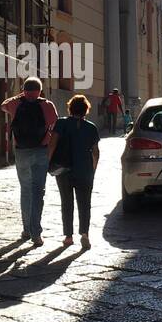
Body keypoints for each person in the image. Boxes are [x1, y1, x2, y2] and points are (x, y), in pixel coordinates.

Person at [1, 77, 58, 246]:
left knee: (25, 190)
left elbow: (3, 104)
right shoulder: (47, 105)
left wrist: (22, 96)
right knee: (38, 191)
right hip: (41, 151)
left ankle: (26, 229)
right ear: (40, 90)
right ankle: (36, 233)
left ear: (24, 90)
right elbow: (54, 123)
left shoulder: (16, 104)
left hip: (21, 152)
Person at [49, 95, 100, 249]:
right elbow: (96, 153)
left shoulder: (61, 123)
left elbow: (52, 144)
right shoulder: (91, 127)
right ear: (86, 110)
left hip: (64, 170)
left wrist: (48, 163)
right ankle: (85, 234)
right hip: (84, 170)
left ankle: (68, 236)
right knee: (85, 203)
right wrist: (93, 170)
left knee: (66, 202)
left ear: (70, 108)